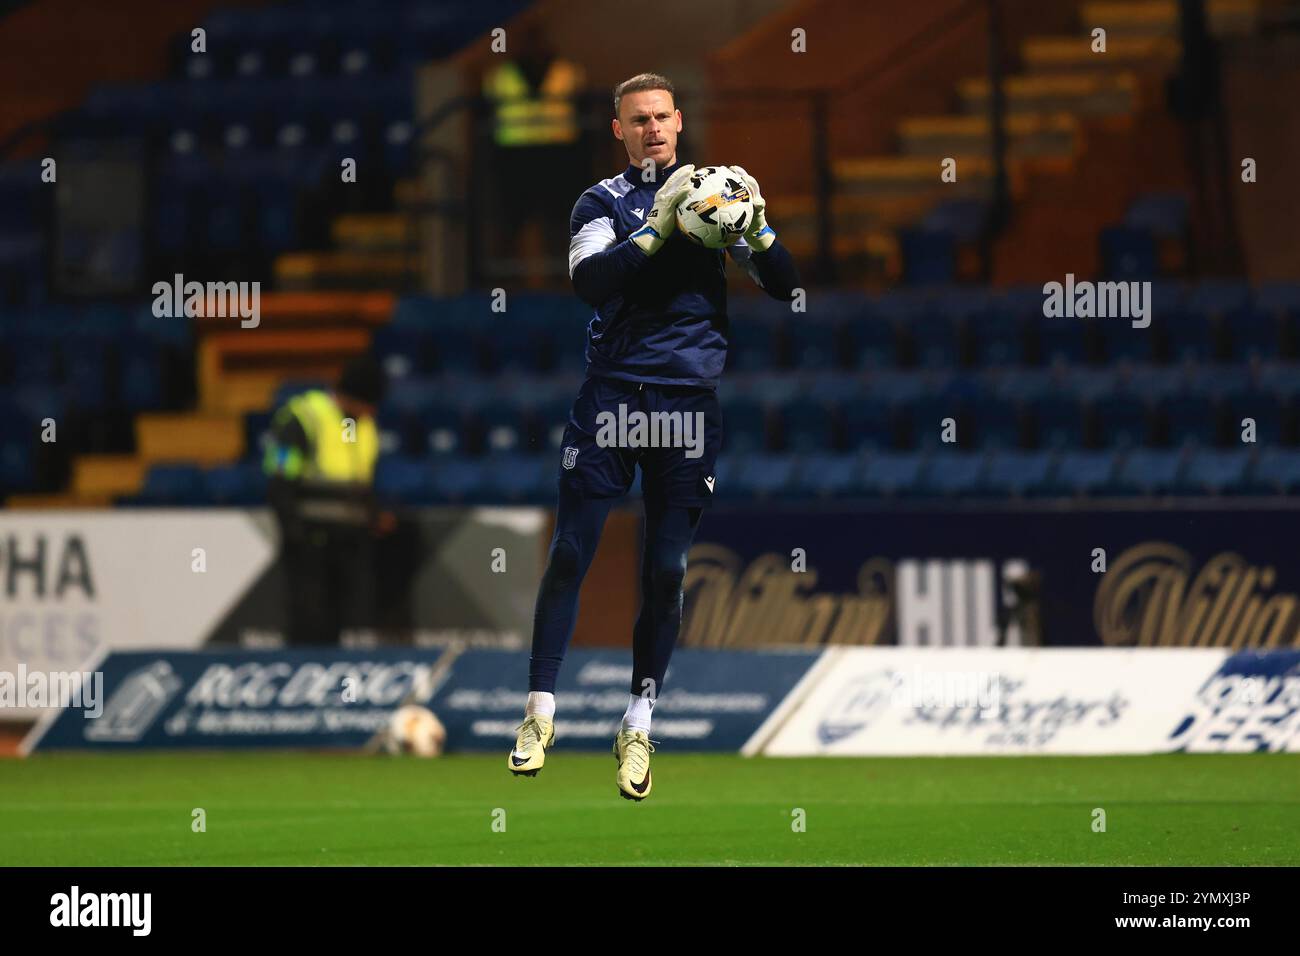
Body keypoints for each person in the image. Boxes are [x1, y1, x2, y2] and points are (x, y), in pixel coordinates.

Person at [507, 72, 801, 799]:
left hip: (687, 405)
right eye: (638, 120)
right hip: (612, 397)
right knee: (572, 550)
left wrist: (758, 228)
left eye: (663, 117)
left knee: (667, 570)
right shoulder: (601, 202)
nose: (653, 129)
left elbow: (790, 287)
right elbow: (591, 282)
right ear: (618, 130)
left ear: (679, 122)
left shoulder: (719, 196)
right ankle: (540, 712)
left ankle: (638, 721)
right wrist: (656, 225)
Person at [262, 354, 387, 646]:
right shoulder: (303, 418)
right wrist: (293, 531)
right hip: (308, 539)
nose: (371, 411)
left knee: (341, 621)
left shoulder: (364, 425)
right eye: (368, 403)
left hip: (348, 542)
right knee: (308, 618)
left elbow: (360, 481)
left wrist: (373, 515)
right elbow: (280, 479)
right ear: (354, 395)